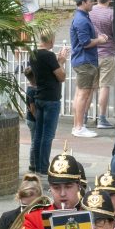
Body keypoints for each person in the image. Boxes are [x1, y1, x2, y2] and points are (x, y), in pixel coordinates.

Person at [70, 0, 108, 137]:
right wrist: (99, 40)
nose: (93, 2)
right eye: (91, 0)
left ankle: (77, 126)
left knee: (80, 94)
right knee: (83, 95)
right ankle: (79, 127)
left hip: (83, 61)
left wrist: (97, 38)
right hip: (85, 62)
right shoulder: (81, 20)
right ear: (84, 2)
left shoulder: (82, 17)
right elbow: (85, 43)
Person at [30, 27, 67, 174]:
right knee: (48, 135)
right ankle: (44, 167)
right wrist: (62, 62)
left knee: (38, 134)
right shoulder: (49, 56)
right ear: (50, 40)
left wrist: (56, 62)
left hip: (39, 96)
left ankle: (37, 165)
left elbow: (46, 72)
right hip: (51, 99)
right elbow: (61, 77)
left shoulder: (33, 54)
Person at [90, 0, 115, 130]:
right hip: (107, 52)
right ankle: (102, 117)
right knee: (104, 86)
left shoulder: (90, 11)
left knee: (90, 86)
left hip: (92, 52)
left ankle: (84, 116)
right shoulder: (111, 14)